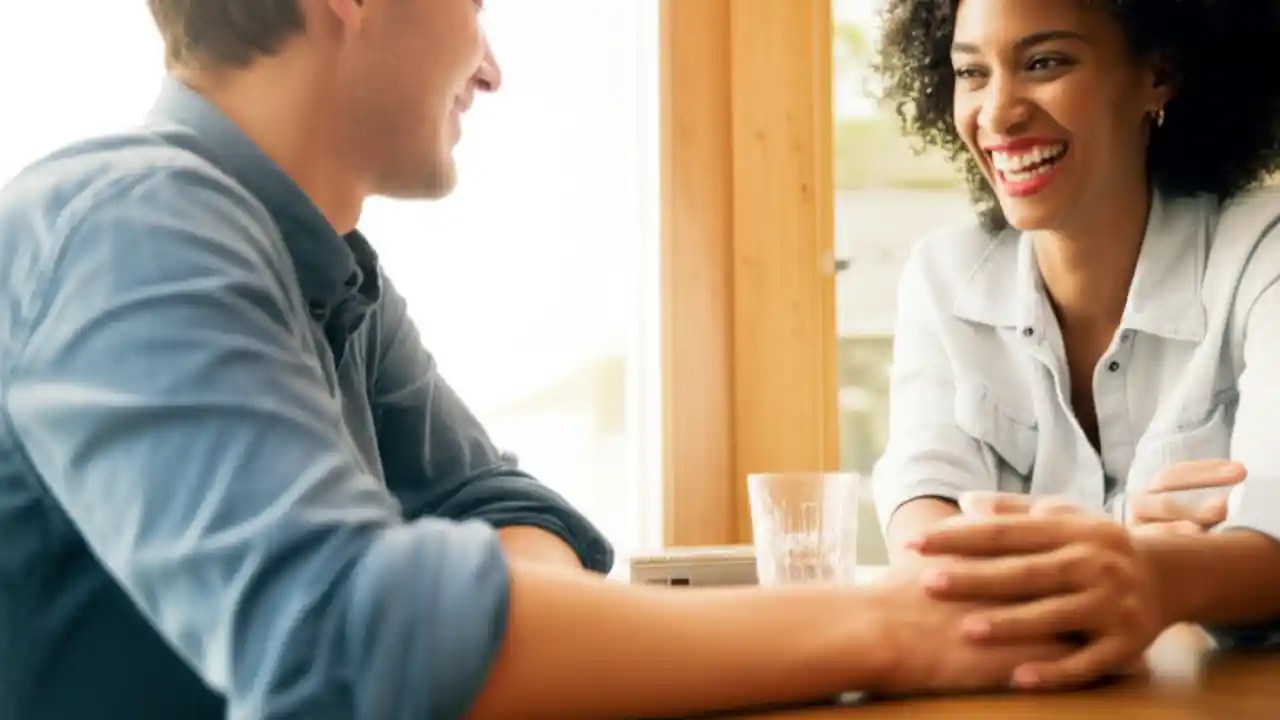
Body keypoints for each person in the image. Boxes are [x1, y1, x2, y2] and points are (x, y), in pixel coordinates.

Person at [0, 1, 1071, 718]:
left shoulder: (324, 270)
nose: (493, 67)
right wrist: (888, 627)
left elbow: (499, 503)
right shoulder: (132, 219)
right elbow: (340, 633)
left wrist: (483, 632)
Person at [871, 0, 1280, 693]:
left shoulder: (1262, 254)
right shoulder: (942, 278)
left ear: (1159, 74)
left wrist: (1149, 573)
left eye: (1044, 63)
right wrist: (1132, 556)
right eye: (972, 73)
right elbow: (923, 514)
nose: (998, 114)